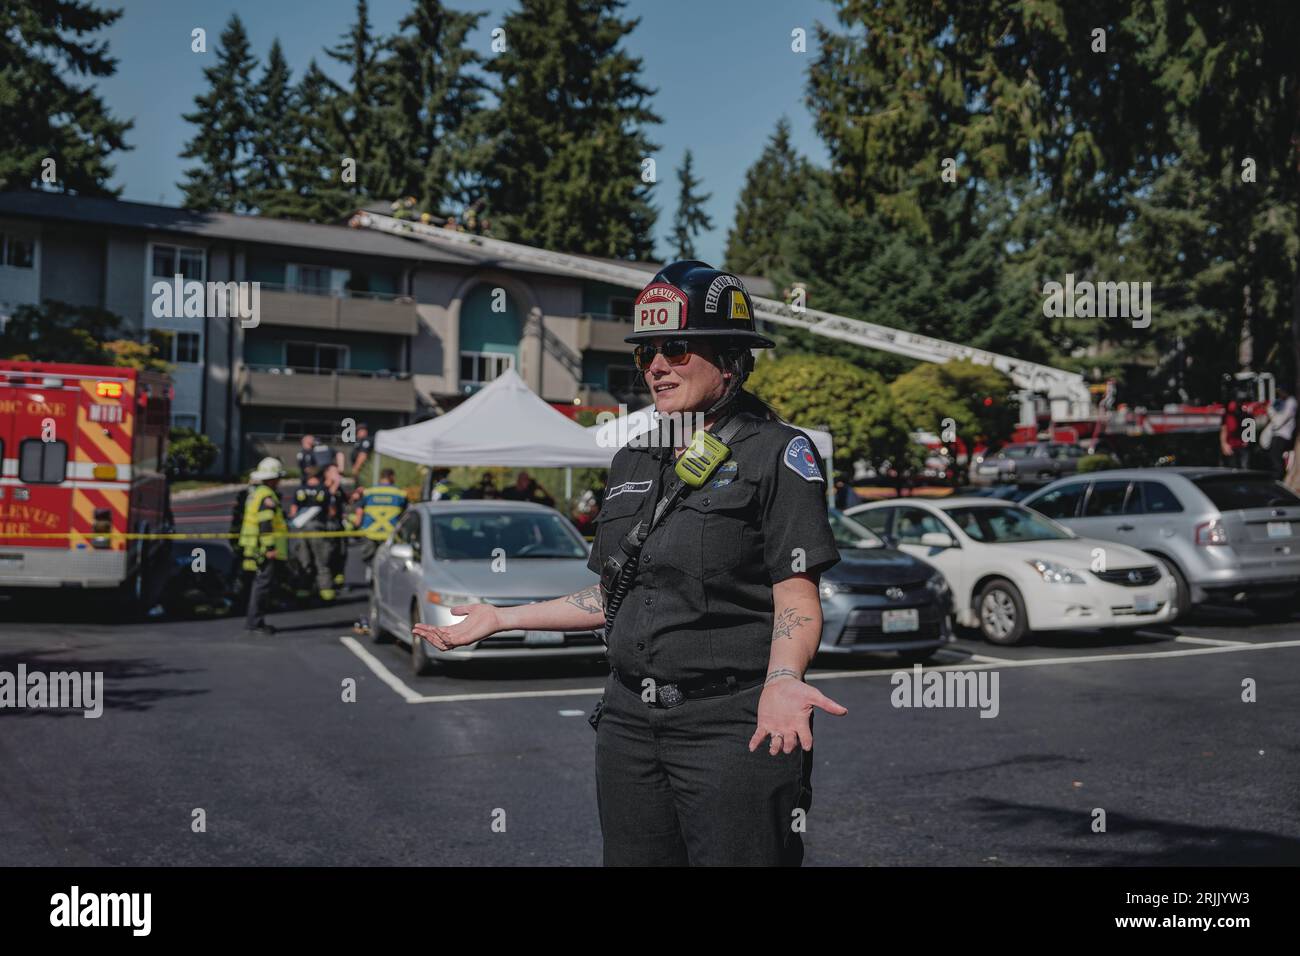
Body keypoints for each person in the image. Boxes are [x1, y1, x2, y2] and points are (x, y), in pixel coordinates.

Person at [414, 261, 846, 866]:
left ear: (729, 358)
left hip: (730, 726)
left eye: (675, 347)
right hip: (629, 727)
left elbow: (796, 596)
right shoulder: (633, 459)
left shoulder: (778, 453)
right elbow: (611, 596)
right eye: (646, 353)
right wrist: (502, 618)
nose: (656, 367)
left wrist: (782, 681)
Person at [352, 468, 408, 634]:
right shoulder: (400, 494)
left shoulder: (369, 492)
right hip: (388, 538)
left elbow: (359, 513)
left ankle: (372, 582)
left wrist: (356, 526)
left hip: (371, 534)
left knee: (370, 562)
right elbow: (405, 516)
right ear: (392, 477)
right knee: (389, 565)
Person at [240, 457, 289, 635]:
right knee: (261, 585)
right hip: (263, 548)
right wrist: (269, 548)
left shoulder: (257, 492)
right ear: (272, 478)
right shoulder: (266, 495)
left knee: (258, 584)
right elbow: (265, 523)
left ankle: (255, 621)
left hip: (254, 545)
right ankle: (255, 623)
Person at [290, 466, 336, 602]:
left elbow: (293, 511)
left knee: (304, 561)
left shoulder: (299, 490)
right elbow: (331, 512)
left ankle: (303, 590)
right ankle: (326, 591)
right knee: (322, 561)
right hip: (318, 529)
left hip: (301, 530)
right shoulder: (324, 491)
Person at [322, 462, 348, 589]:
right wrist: (336, 483)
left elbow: (346, 500)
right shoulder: (322, 488)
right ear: (327, 473)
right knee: (328, 553)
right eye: (334, 472)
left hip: (339, 525)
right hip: (327, 525)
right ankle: (327, 582)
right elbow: (326, 498)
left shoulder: (338, 490)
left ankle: (339, 579)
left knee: (341, 551)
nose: (337, 475)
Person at [1265, 385, 1297, 480]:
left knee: (1276, 458)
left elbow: (1279, 421)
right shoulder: (1280, 402)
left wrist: (1271, 412)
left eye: (1281, 391)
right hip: (1276, 434)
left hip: (1283, 435)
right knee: (1273, 457)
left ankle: (1279, 478)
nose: (1279, 394)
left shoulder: (1291, 402)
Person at [1219, 400, 1250, 469]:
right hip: (1231, 445)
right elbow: (1224, 430)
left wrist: (1247, 440)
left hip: (1241, 445)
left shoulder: (1244, 415)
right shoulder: (1226, 416)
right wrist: (1224, 444)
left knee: (1244, 466)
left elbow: (1249, 426)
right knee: (1233, 467)